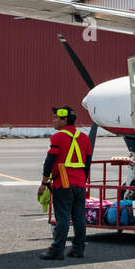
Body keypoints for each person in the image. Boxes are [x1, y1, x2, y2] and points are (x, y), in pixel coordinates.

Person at [37, 106, 93, 259]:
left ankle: (57, 250)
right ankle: (78, 249)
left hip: (63, 183)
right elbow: (87, 163)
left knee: (62, 218)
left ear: (64, 120)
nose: (53, 120)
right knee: (79, 218)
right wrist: (83, 180)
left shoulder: (58, 138)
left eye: (56, 118)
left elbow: (50, 161)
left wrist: (44, 181)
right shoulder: (85, 138)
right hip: (80, 183)